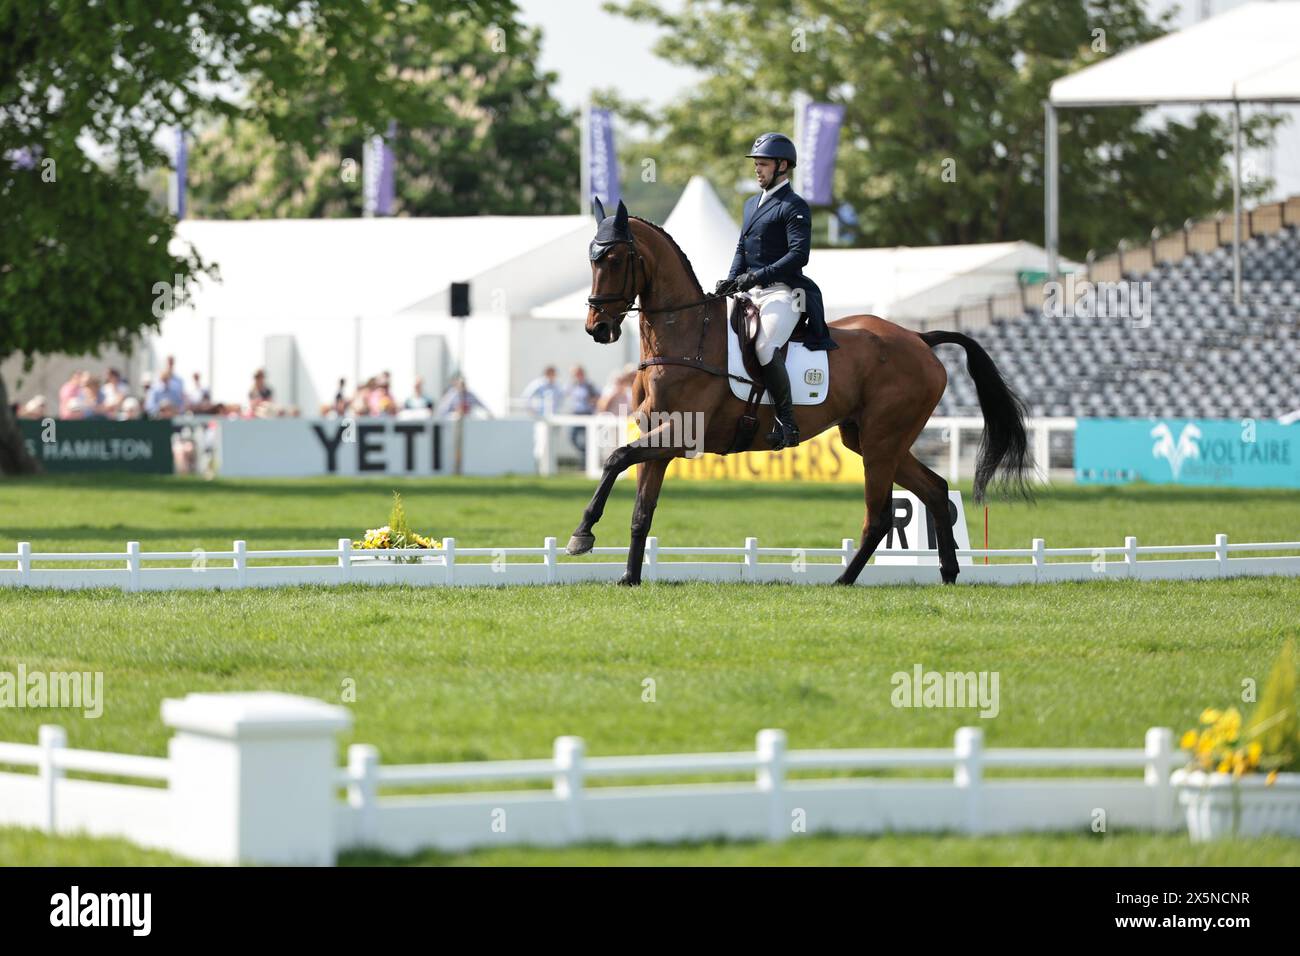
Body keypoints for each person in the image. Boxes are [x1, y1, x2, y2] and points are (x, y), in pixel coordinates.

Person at [716, 131, 838, 450]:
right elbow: (742, 247)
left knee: (764, 346)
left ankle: (788, 421)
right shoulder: (750, 205)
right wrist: (731, 281)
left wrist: (755, 277)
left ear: (782, 166)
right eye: (756, 164)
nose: (757, 170)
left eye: (763, 164)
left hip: (782, 293)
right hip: (749, 291)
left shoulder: (794, 206)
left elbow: (799, 255)